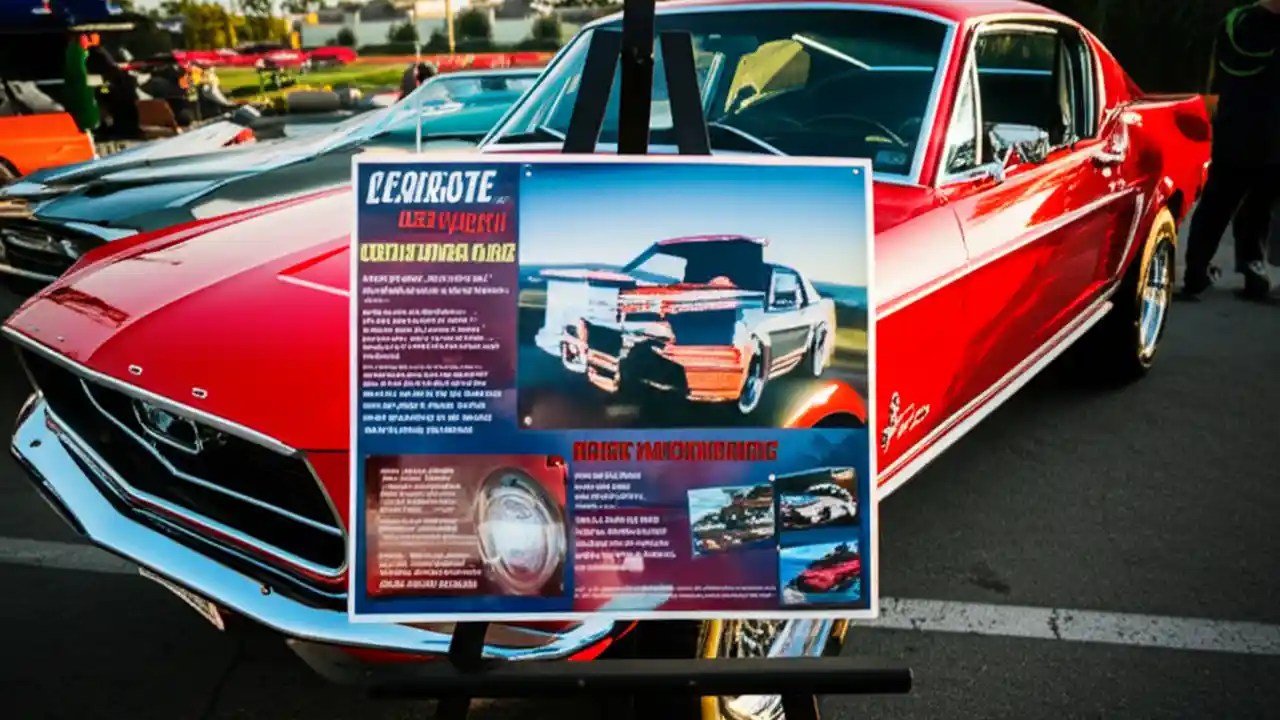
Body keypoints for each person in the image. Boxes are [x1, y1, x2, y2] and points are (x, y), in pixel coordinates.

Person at [1181, 0, 1280, 302]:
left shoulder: (1235, 22)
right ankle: (1252, 268)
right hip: (1271, 133)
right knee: (1259, 204)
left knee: (1219, 200)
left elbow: (1217, 74)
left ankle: (1197, 270)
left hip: (1234, 126)